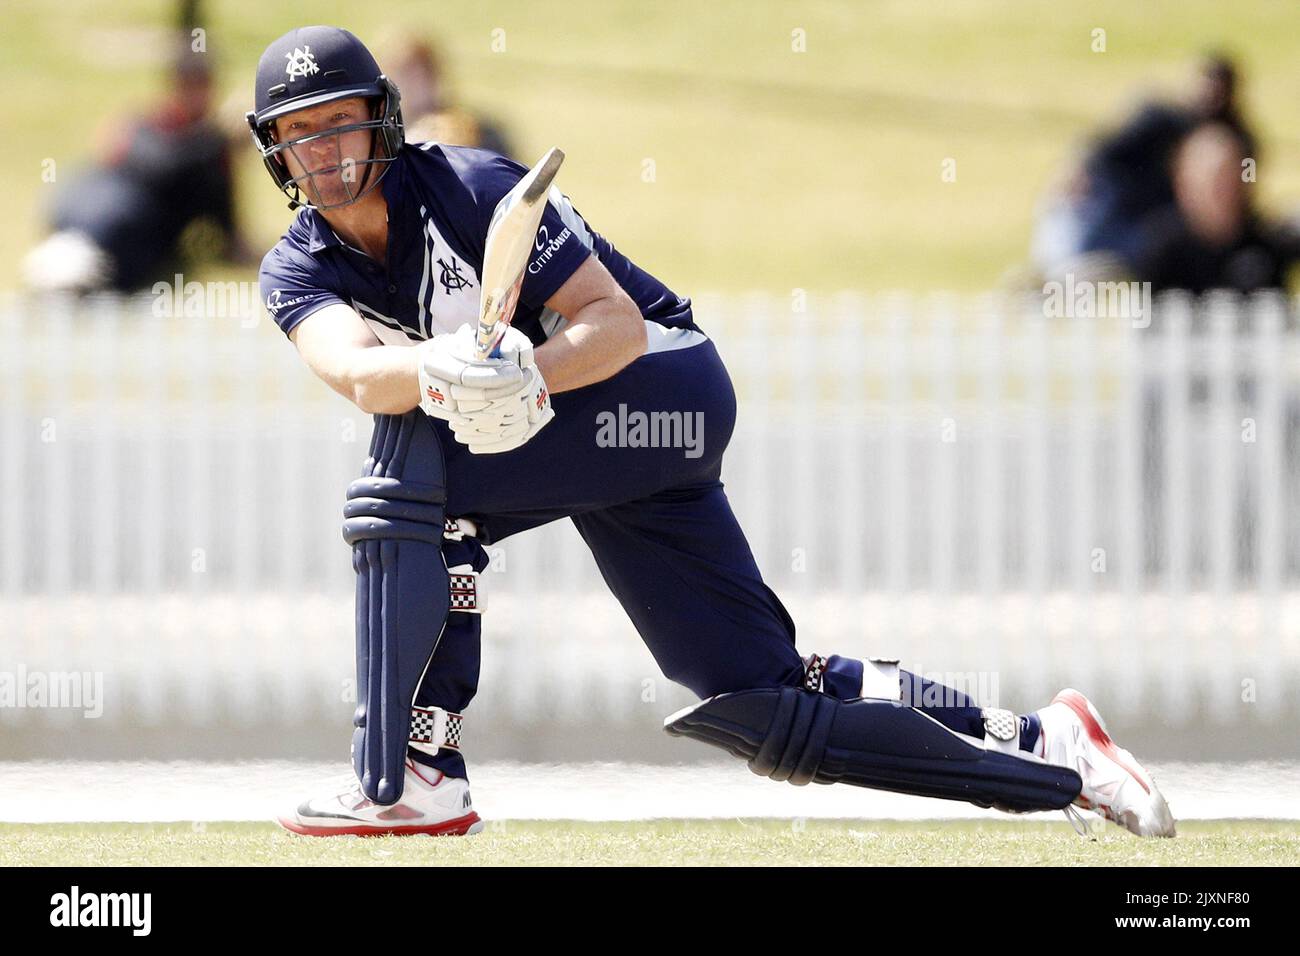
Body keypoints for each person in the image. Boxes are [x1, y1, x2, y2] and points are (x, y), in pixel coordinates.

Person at [248, 26, 1175, 838]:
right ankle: (1050, 749)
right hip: (573, 437)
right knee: (763, 700)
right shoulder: (296, 266)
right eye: (298, 135)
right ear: (274, 156)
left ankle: (413, 773)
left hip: (659, 387)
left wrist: (524, 372)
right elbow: (357, 373)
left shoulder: (475, 185)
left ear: (382, 119)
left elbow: (612, 324)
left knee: (411, 486)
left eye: (338, 122)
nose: (323, 151)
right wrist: (448, 371)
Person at [25, 40, 251, 293]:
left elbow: (225, 229)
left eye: (202, 84)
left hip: (131, 234)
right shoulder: (149, 125)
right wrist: (216, 139)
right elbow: (157, 164)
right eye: (189, 84)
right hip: (95, 210)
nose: (196, 95)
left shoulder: (211, 153)